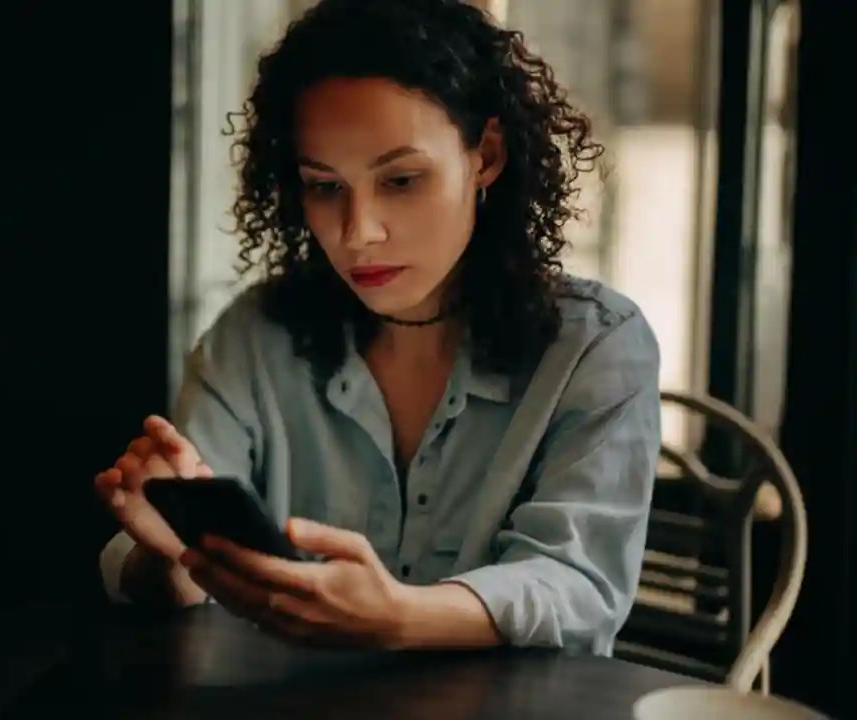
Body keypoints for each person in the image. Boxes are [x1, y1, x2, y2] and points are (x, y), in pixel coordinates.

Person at [93, 0, 660, 656]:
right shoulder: (254, 337)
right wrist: (169, 554)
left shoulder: (595, 346)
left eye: (401, 179)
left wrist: (403, 616)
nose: (359, 231)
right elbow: (166, 584)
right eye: (326, 187)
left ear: (488, 156)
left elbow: (580, 586)